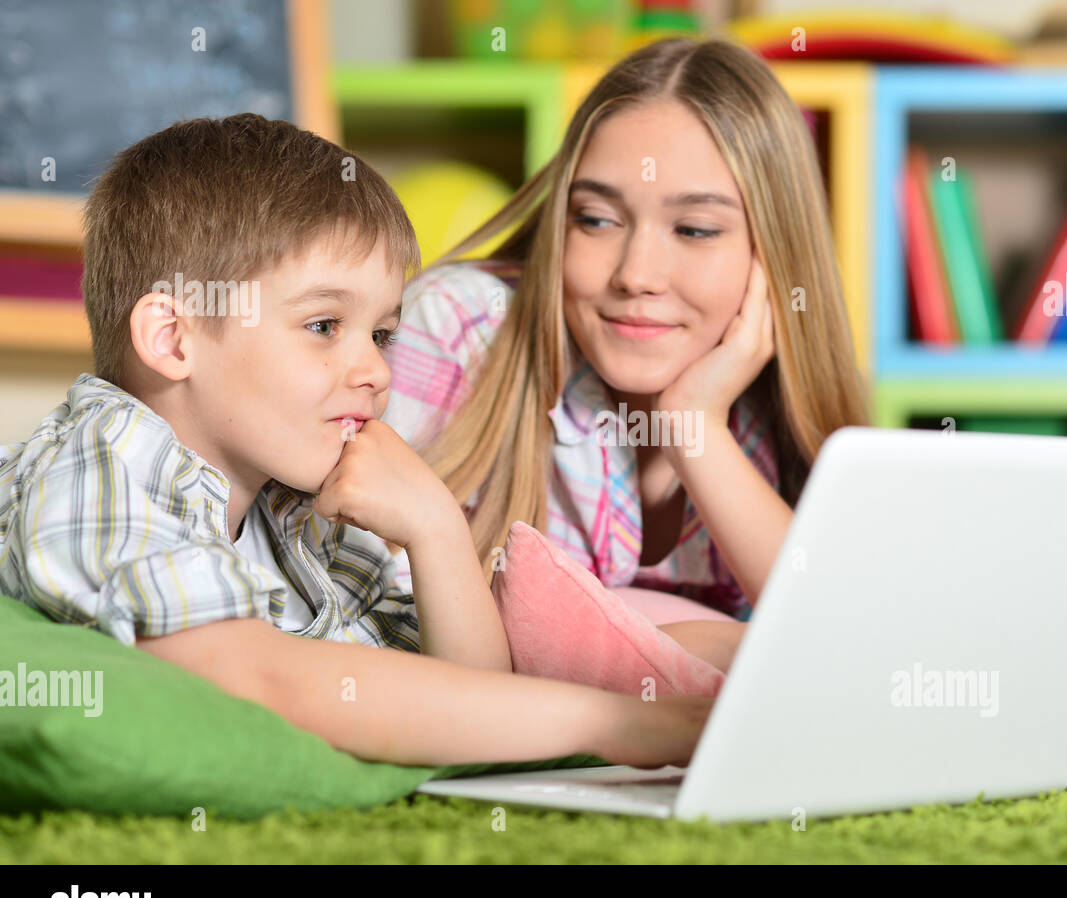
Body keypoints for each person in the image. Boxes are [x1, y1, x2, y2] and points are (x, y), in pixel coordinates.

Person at [0, 114, 709, 769]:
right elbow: (252, 674)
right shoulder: (102, 458)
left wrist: (435, 526)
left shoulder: (300, 498)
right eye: (323, 327)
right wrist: (611, 724)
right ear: (173, 337)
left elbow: (466, 698)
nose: (374, 371)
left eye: (382, 334)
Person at [382, 38, 870, 663]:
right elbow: (361, 613)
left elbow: (850, 643)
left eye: (694, 229)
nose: (636, 274)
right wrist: (683, 633)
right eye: (597, 219)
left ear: (774, 256)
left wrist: (695, 425)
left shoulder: (781, 409)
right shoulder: (460, 326)